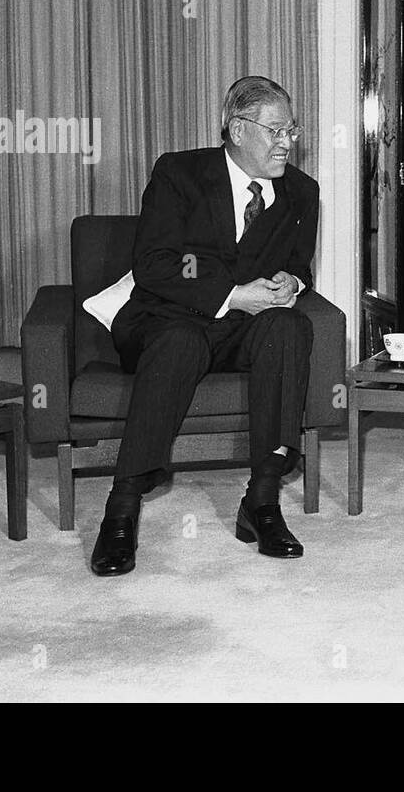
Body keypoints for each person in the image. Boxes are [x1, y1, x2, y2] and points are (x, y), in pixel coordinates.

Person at [91, 76, 318, 577]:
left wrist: (291, 285)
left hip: (243, 329)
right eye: (275, 130)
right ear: (238, 130)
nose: (287, 142)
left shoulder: (302, 192)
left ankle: (261, 503)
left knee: (291, 328)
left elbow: (302, 266)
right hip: (167, 320)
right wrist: (232, 293)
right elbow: (154, 263)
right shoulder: (180, 174)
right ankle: (121, 509)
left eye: (291, 130)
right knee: (179, 342)